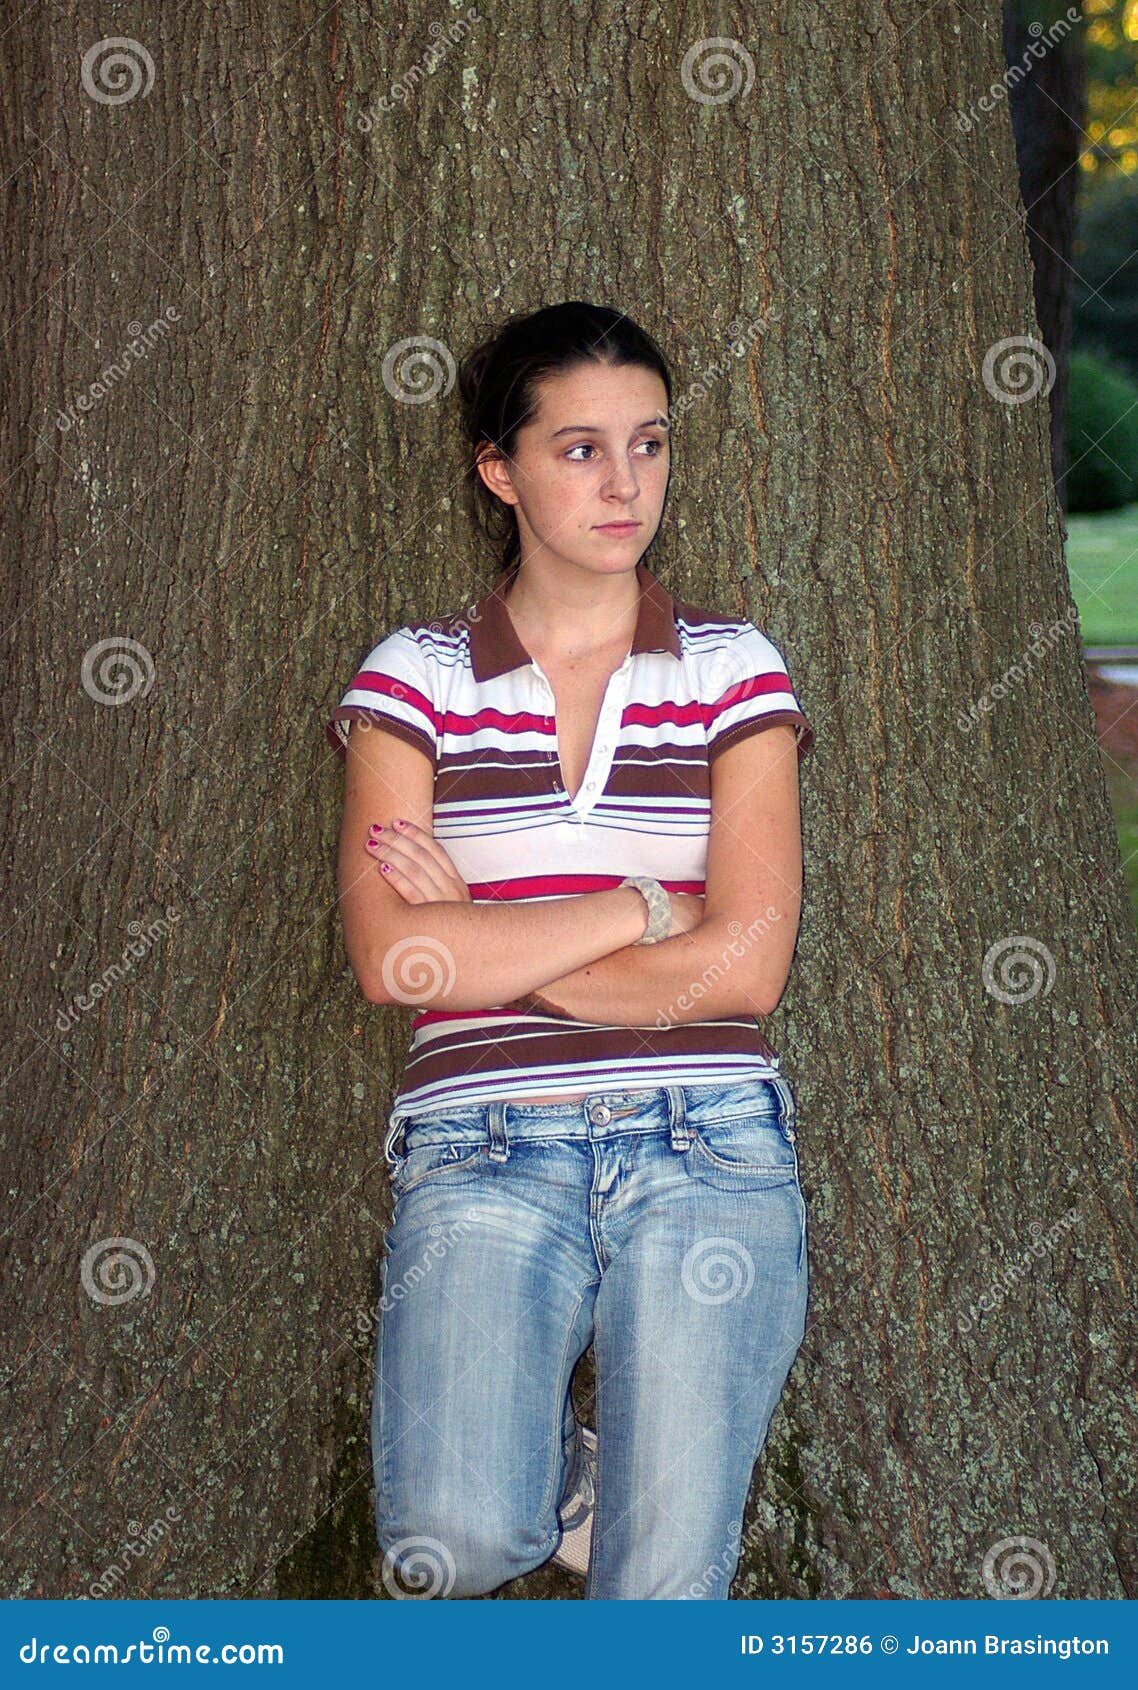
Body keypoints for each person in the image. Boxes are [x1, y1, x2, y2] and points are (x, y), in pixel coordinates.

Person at [325, 301, 815, 1600]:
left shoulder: (730, 666)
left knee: (658, 1598)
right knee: (456, 1538)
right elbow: (392, 964)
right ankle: (571, 1477)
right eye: (580, 449)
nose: (624, 484)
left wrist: (486, 936)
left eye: (647, 445)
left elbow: (746, 967)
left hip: (704, 1135)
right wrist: (632, 910)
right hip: (481, 1143)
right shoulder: (413, 677)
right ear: (501, 468)